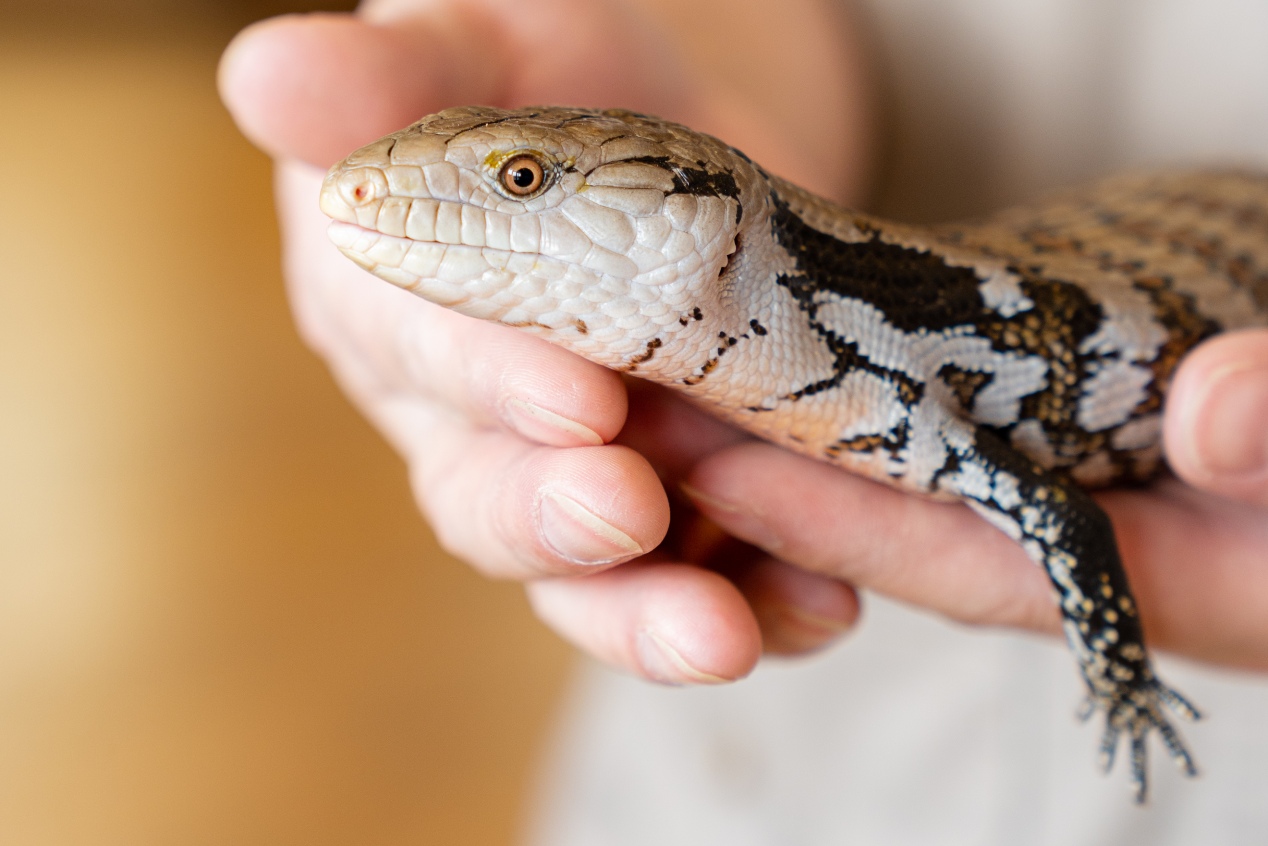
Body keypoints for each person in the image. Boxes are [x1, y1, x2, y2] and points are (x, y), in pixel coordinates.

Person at [220, 0, 1268, 840]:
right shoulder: (828, 354)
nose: (395, 195)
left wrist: (1119, 684)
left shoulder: (897, 380)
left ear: (701, 214)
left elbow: (1062, 520)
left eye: (524, 182)